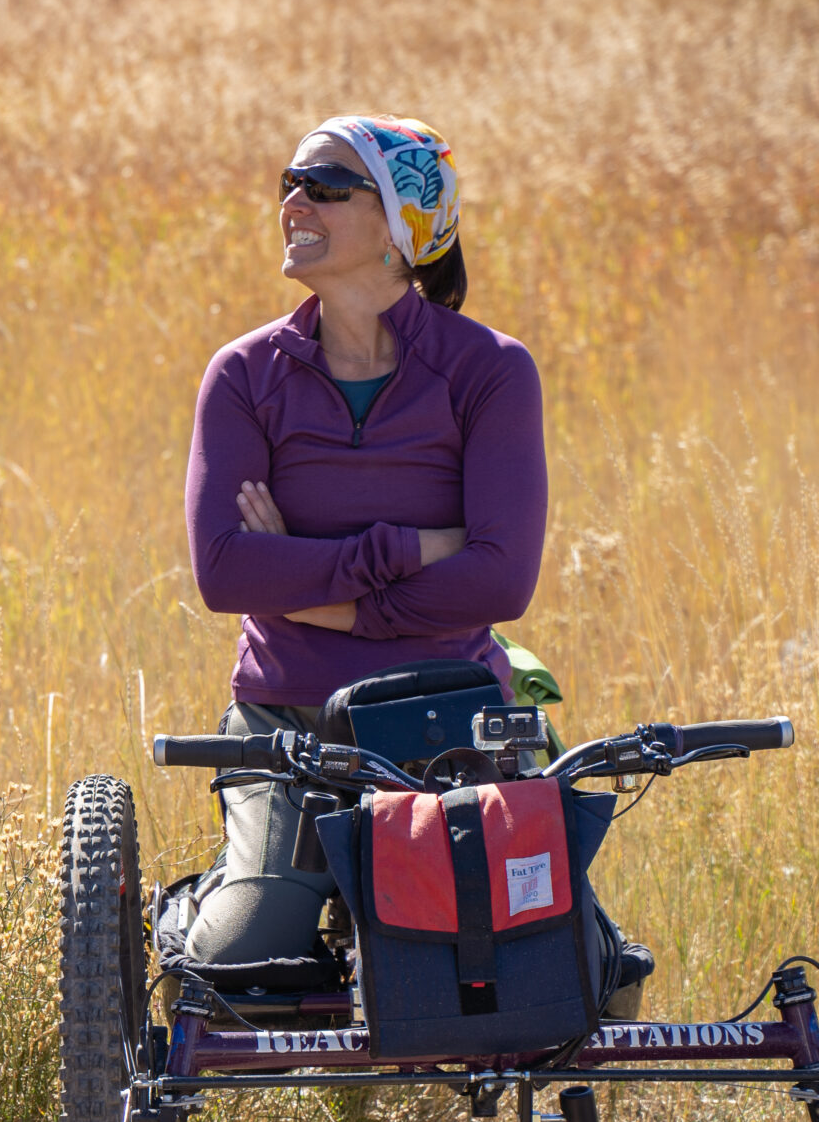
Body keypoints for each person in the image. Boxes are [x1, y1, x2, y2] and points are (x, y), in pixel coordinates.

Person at [178, 115, 548, 970]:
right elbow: (225, 569)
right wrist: (412, 550)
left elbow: (500, 583)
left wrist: (315, 596)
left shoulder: (491, 370)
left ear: (399, 229)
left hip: (453, 714)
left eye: (326, 187)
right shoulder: (243, 375)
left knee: (557, 960)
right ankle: (211, 897)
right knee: (241, 958)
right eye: (291, 184)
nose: (295, 201)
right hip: (289, 717)